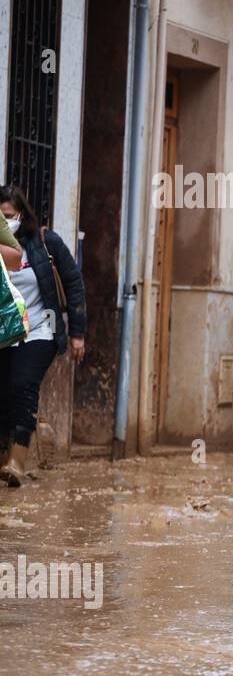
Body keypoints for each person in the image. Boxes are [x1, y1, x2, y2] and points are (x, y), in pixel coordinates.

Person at [0, 184, 87, 486]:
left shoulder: (44, 242)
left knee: (23, 383)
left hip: (41, 327)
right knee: (4, 393)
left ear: (21, 215)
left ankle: (17, 461)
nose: (4, 221)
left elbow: (73, 282)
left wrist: (77, 333)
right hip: (4, 333)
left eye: (8, 215)